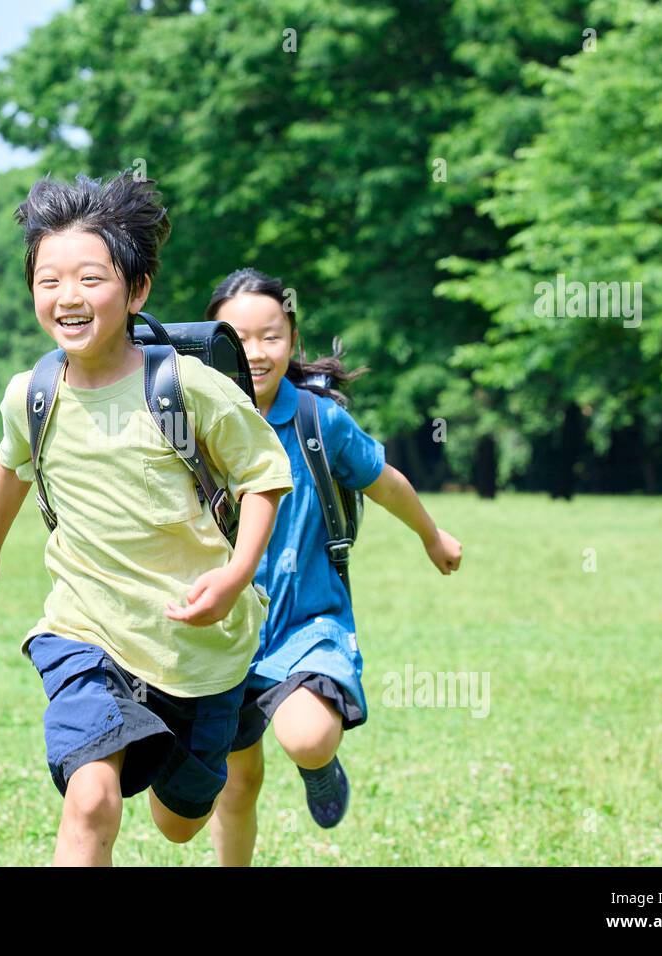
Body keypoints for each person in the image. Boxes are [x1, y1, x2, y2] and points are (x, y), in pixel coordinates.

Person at [0, 174, 294, 866]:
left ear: (136, 290)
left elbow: (265, 478)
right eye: (48, 279)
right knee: (90, 799)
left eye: (90, 277)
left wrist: (236, 576)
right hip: (84, 628)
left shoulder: (185, 386)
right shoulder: (33, 394)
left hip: (199, 647)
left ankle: (223, 731)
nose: (68, 296)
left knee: (178, 824)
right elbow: (10, 466)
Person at [204, 268, 463, 866]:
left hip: (305, 624)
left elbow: (386, 482)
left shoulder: (319, 423)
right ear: (213, 343)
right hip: (221, 634)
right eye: (237, 338)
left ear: (292, 341)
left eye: (271, 336)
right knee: (237, 784)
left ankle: (321, 768)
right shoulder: (192, 421)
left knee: (307, 736)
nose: (255, 352)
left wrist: (432, 535)